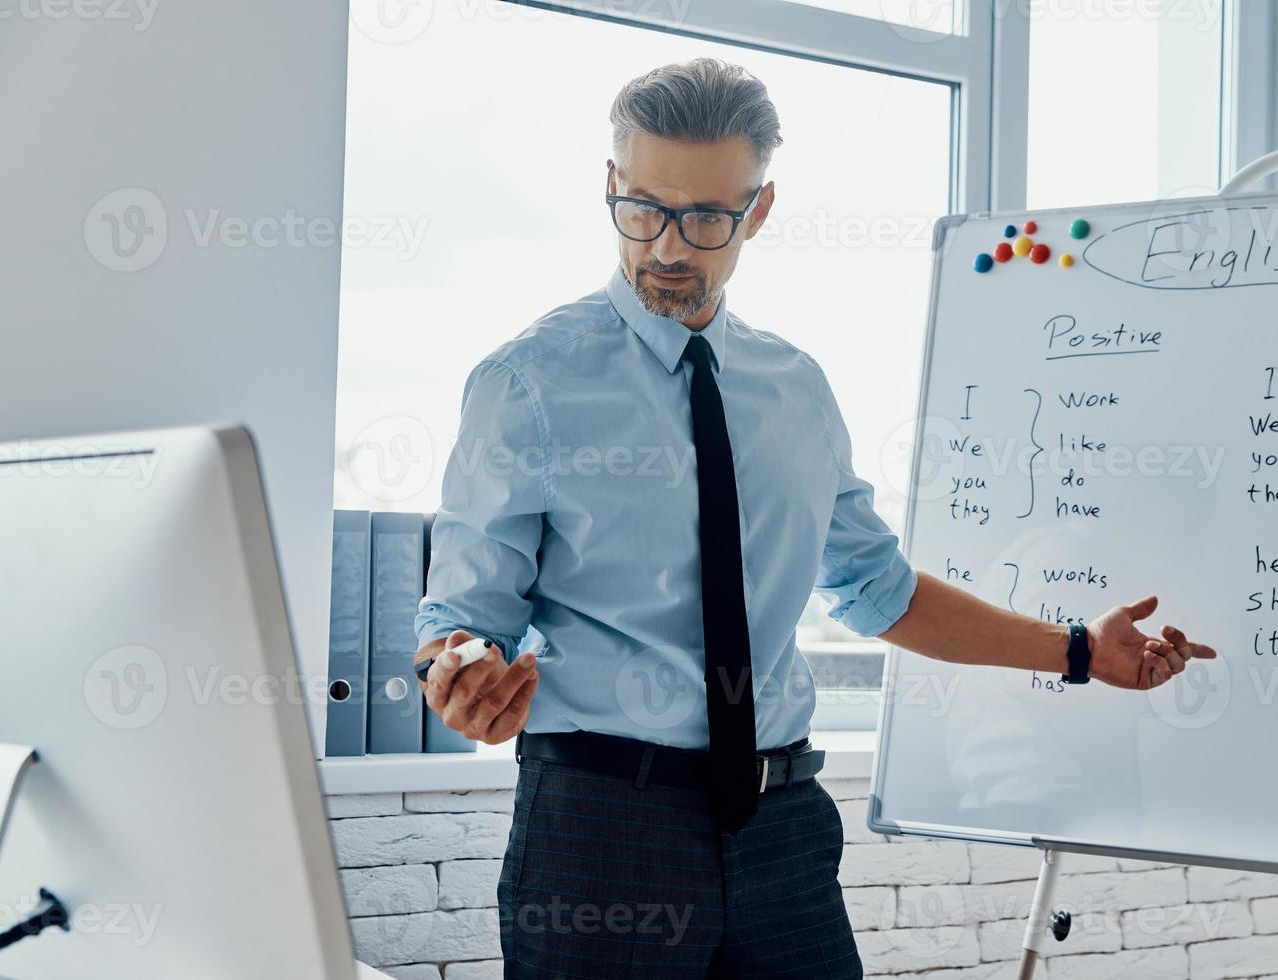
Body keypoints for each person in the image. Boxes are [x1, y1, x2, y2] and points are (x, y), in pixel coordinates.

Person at [412, 57, 1216, 979]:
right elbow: (460, 620)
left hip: (781, 827)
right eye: (642, 209)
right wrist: (456, 676)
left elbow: (880, 591)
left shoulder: (792, 389)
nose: (667, 246)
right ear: (610, 187)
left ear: (757, 211)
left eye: (706, 217)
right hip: (603, 824)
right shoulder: (527, 384)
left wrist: (1078, 650)